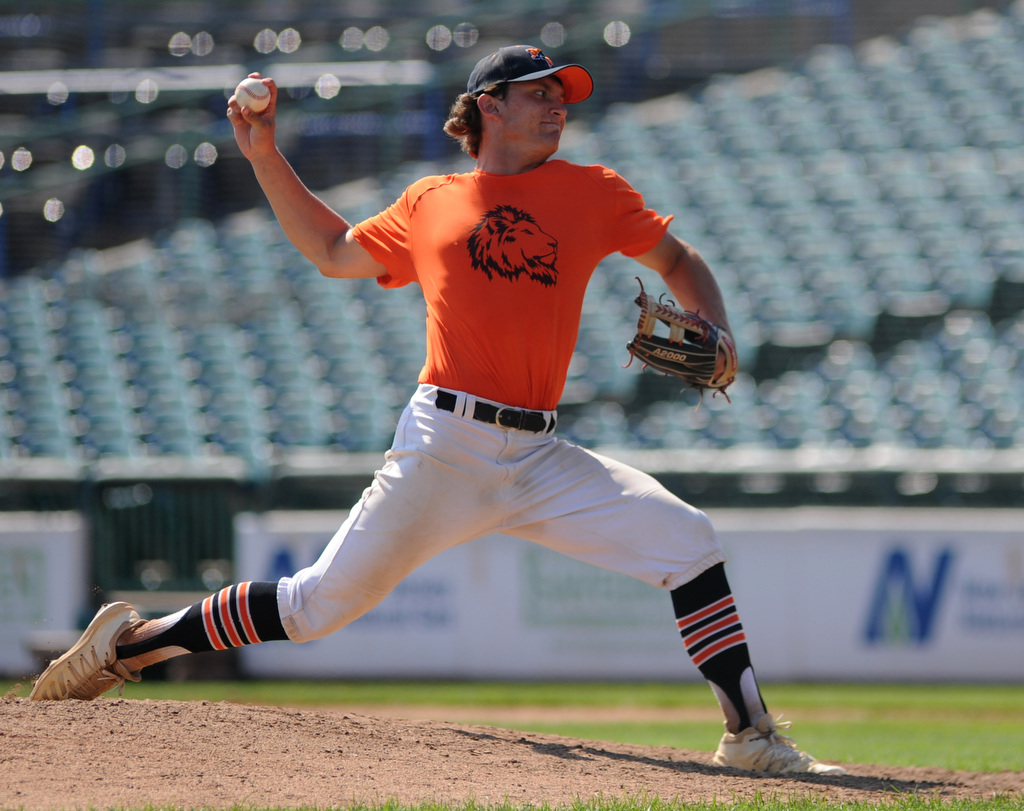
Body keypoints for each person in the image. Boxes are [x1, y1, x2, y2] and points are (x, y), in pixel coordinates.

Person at [31, 45, 844, 776]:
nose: (559, 103)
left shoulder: (593, 191)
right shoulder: (432, 201)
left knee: (689, 542)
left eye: (563, 92)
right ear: (488, 104)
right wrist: (265, 152)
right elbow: (332, 251)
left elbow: (679, 257)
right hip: (444, 446)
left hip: (540, 456)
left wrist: (718, 324)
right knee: (313, 608)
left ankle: (749, 735)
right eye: (538, 92)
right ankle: (128, 643)